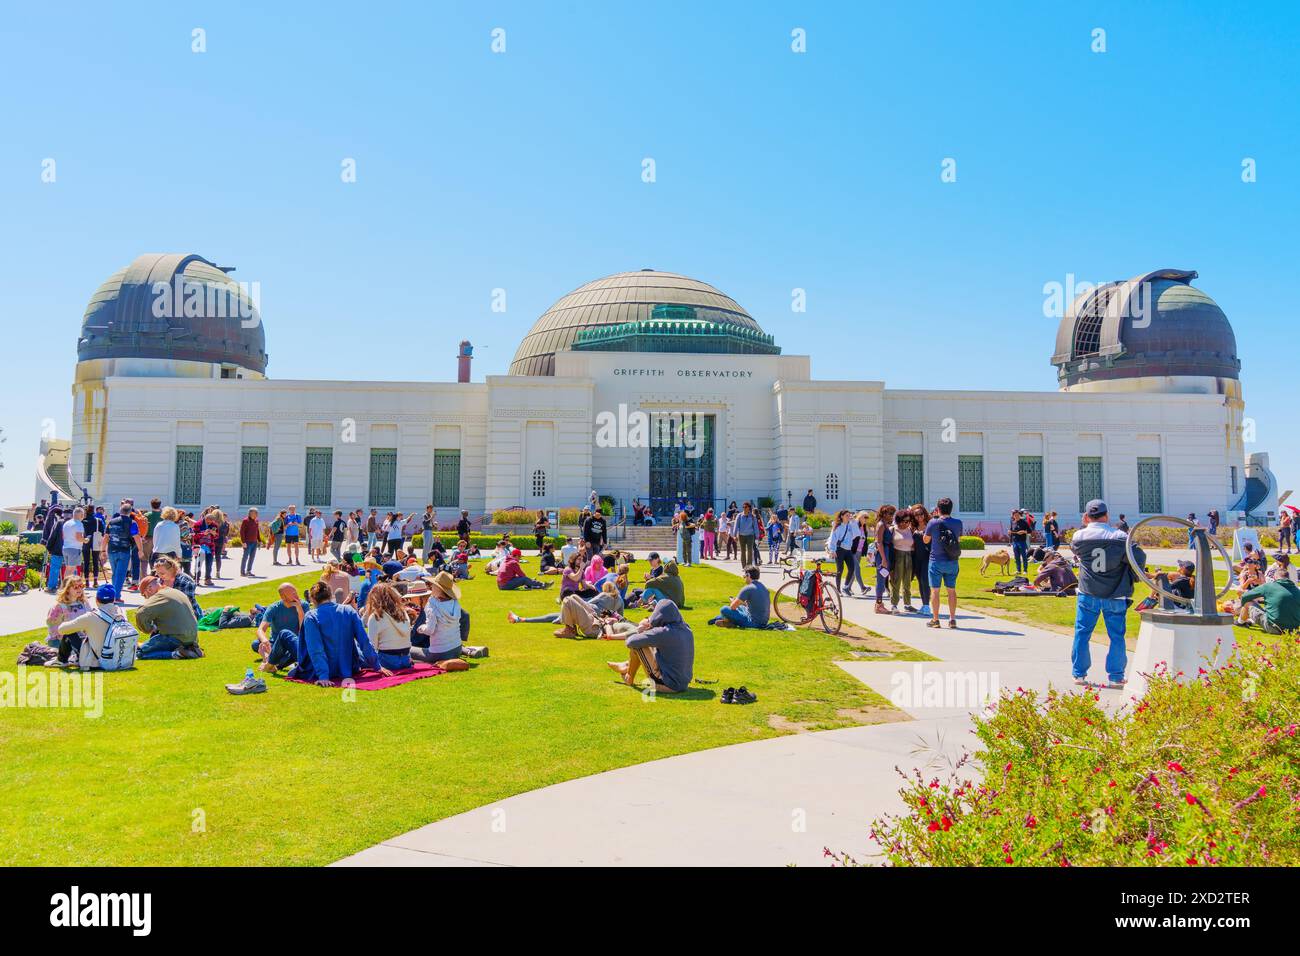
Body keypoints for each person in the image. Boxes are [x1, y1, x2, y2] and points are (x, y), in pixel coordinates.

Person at [1069, 499, 1144, 688]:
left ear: (1086, 517)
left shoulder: (1079, 537)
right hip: (1116, 593)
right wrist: (1132, 572)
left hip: (1088, 591)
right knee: (1117, 636)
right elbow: (1139, 556)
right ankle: (1116, 676)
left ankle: (1079, 674)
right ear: (1107, 516)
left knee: (1082, 633)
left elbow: (1076, 551)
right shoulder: (1120, 537)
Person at [291, 580, 388, 684]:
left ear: (313, 599)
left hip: (323, 671)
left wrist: (323, 676)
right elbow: (364, 641)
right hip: (349, 668)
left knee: (286, 636)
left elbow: (316, 648)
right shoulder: (348, 611)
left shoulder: (311, 616)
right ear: (330, 595)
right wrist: (377, 666)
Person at [606, 599, 695, 694]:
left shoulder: (664, 632)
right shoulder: (686, 629)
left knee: (638, 645)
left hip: (667, 685)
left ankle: (629, 676)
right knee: (647, 643)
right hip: (683, 684)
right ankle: (627, 666)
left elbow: (630, 642)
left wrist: (641, 630)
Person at [54, 584, 126, 668]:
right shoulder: (121, 612)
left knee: (69, 633)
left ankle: (61, 661)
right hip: (119, 658)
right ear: (113, 599)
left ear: (96, 600)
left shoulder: (91, 616)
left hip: (96, 661)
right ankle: (73, 659)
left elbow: (62, 629)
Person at [135, 575, 203, 660]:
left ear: (149, 589)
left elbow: (140, 613)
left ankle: (177, 654)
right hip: (192, 638)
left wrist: (149, 628)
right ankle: (188, 649)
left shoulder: (160, 596)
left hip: (175, 637)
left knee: (138, 653)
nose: (147, 598)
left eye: (145, 595)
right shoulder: (175, 592)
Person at [923, 497, 963, 629]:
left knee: (935, 590)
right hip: (952, 561)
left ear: (938, 509)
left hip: (936, 560)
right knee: (951, 590)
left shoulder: (933, 523)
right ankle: (952, 619)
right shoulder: (958, 523)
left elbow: (925, 540)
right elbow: (957, 539)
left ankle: (935, 619)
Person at [411, 571, 466, 663]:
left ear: (438, 588)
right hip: (457, 649)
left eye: (432, 585)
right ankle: (467, 650)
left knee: (407, 650)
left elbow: (429, 630)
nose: (430, 587)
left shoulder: (432, 604)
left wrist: (420, 628)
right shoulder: (455, 602)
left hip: (439, 653)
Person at [361, 581, 414, 671]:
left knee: (357, 652)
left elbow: (372, 646)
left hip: (387, 661)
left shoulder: (376, 617)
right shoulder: (403, 613)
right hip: (406, 659)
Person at [253, 582, 306, 671]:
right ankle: (275, 657)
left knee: (293, 650)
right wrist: (265, 641)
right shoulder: (274, 608)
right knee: (256, 644)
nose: (296, 595)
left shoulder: (303, 605)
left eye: (296, 592)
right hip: (275, 643)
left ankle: (269, 658)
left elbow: (303, 630)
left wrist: (299, 610)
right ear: (283, 597)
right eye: (292, 593)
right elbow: (260, 630)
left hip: (293, 642)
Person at [46, 575, 89, 651]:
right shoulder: (58, 607)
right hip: (60, 640)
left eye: (81, 586)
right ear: (67, 589)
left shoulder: (84, 603)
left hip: (81, 637)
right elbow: (53, 629)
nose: (79, 589)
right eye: (76, 587)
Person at [103, 502, 136, 601]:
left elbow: (106, 537)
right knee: (121, 574)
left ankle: (114, 593)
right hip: (124, 550)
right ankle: (116, 596)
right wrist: (140, 549)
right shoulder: (132, 522)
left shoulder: (111, 522)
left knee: (115, 573)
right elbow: (136, 537)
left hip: (112, 550)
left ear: (120, 511)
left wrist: (102, 550)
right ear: (130, 512)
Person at [826, 509, 859, 597]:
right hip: (839, 550)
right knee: (840, 570)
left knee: (852, 569)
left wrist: (854, 522)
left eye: (849, 515)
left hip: (848, 550)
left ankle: (845, 587)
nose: (848, 517)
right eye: (846, 515)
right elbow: (833, 538)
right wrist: (832, 550)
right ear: (841, 516)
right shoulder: (838, 526)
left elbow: (856, 534)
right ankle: (838, 589)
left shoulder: (850, 525)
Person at [889, 510, 916, 612]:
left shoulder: (910, 530)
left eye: (908, 521)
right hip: (897, 556)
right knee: (896, 581)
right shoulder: (892, 530)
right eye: (904, 521)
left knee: (907, 582)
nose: (906, 523)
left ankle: (907, 604)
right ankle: (894, 604)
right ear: (898, 521)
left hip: (908, 556)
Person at [60, 506, 86, 584]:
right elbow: (78, 538)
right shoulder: (78, 524)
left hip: (66, 547)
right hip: (74, 549)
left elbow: (63, 536)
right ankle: (66, 588)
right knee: (71, 570)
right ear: (81, 515)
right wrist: (85, 540)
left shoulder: (67, 523)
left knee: (68, 569)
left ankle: (64, 586)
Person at [734, 501, 760, 568]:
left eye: (745, 507)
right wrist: (734, 535)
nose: (744, 508)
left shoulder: (752, 517)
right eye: (743, 507)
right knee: (743, 551)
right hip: (741, 536)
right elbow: (736, 526)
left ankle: (749, 566)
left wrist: (757, 537)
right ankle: (744, 566)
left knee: (750, 551)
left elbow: (756, 527)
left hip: (750, 535)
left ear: (749, 508)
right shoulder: (739, 516)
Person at [238, 509, 261, 576]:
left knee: (252, 557)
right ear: (250, 513)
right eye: (255, 513)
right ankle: (242, 572)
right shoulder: (245, 521)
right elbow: (242, 532)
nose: (256, 514)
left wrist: (259, 540)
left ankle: (249, 571)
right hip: (247, 542)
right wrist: (243, 542)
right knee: (245, 557)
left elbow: (257, 531)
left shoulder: (256, 521)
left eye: (257, 513)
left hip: (254, 542)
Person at [1009, 509, 1032, 574]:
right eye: (1015, 515)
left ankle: (1025, 570)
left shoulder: (1024, 522)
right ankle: (1018, 570)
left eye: (1017, 515)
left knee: (1024, 556)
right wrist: (1010, 532)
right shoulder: (1012, 522)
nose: (1016, 516)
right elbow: (1011, 530)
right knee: (1016, 557)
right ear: (1013, 516)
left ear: (1019, 515)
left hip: (1022, 541)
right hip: (1015, 542)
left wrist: (1024, 531)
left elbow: (1030, 531)